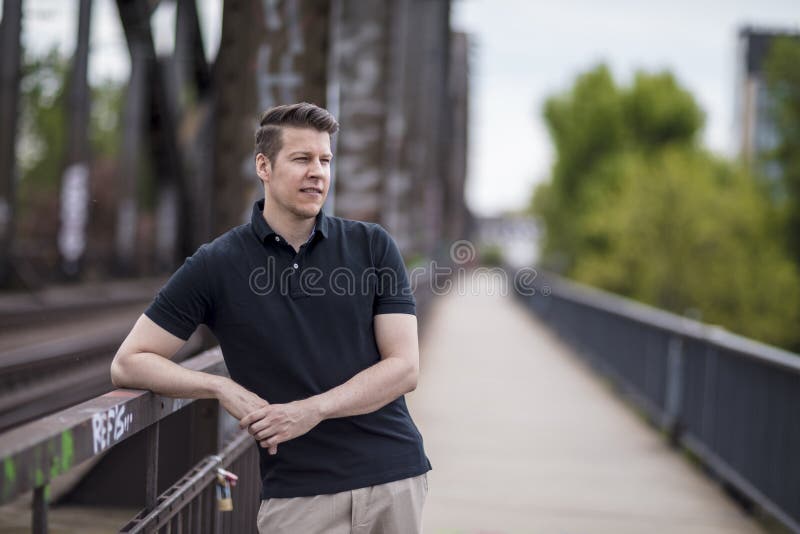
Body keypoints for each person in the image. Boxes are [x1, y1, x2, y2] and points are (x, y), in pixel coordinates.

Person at [111, 102, 431, 533]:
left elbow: (405, 367)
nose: (317, 171)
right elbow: (128, 362)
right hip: (299, 495)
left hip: (395, 477)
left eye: (325, 160)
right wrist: (217, 386)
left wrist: (309, 411)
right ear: (264, 166)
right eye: (302, 159)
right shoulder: (217, 264)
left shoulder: (372, 246)